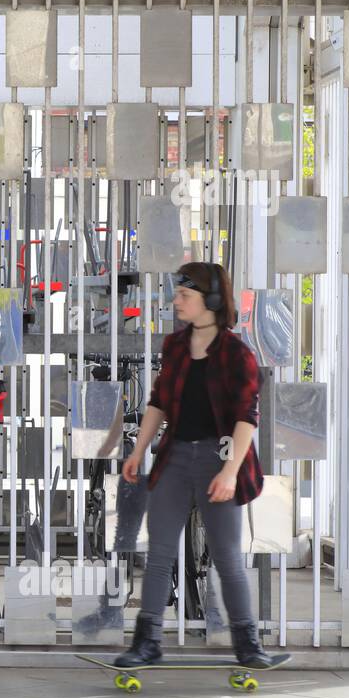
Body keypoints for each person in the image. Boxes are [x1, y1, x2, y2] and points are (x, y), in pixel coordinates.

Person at [115, 261, 277, 670]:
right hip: (175, 457)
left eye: (185, 295)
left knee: (226, 558)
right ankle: (147, 642)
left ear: (213, 300)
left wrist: (229, 471)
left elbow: (246, 418)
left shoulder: (238, 354)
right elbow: (158, 401)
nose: (177, 301)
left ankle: (248, 645)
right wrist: (138, 449)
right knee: (159, 554)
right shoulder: (174, 346)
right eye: (178, 294)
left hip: (218, 459)